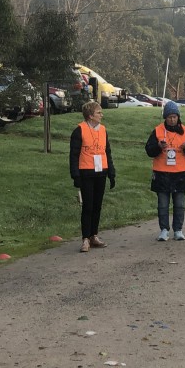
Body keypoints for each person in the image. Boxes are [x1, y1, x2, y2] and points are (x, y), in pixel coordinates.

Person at [145, 100, 185, 241]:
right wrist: (158, 146)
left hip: (180, 173)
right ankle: (164, 229)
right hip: (161, 172)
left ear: (178, 117)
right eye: (169, 117)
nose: (172, 119)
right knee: (163, 204)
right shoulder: (157, 131)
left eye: (175, 116)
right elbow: (149, 151)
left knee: (179, 204)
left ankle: (178, 229)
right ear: (165, 118)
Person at [69, 100, 116, 253]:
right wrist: (75, 175)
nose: (101, 115)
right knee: (87, 206)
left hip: (101, 171)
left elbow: (107, 151)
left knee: (97, 205)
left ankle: (94, 235)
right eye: (98, 113)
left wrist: (111, 172)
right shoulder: (79, 130)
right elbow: (74, 155)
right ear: (90, 115)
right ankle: (85, 238)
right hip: (86, 172)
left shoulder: (103, 130)